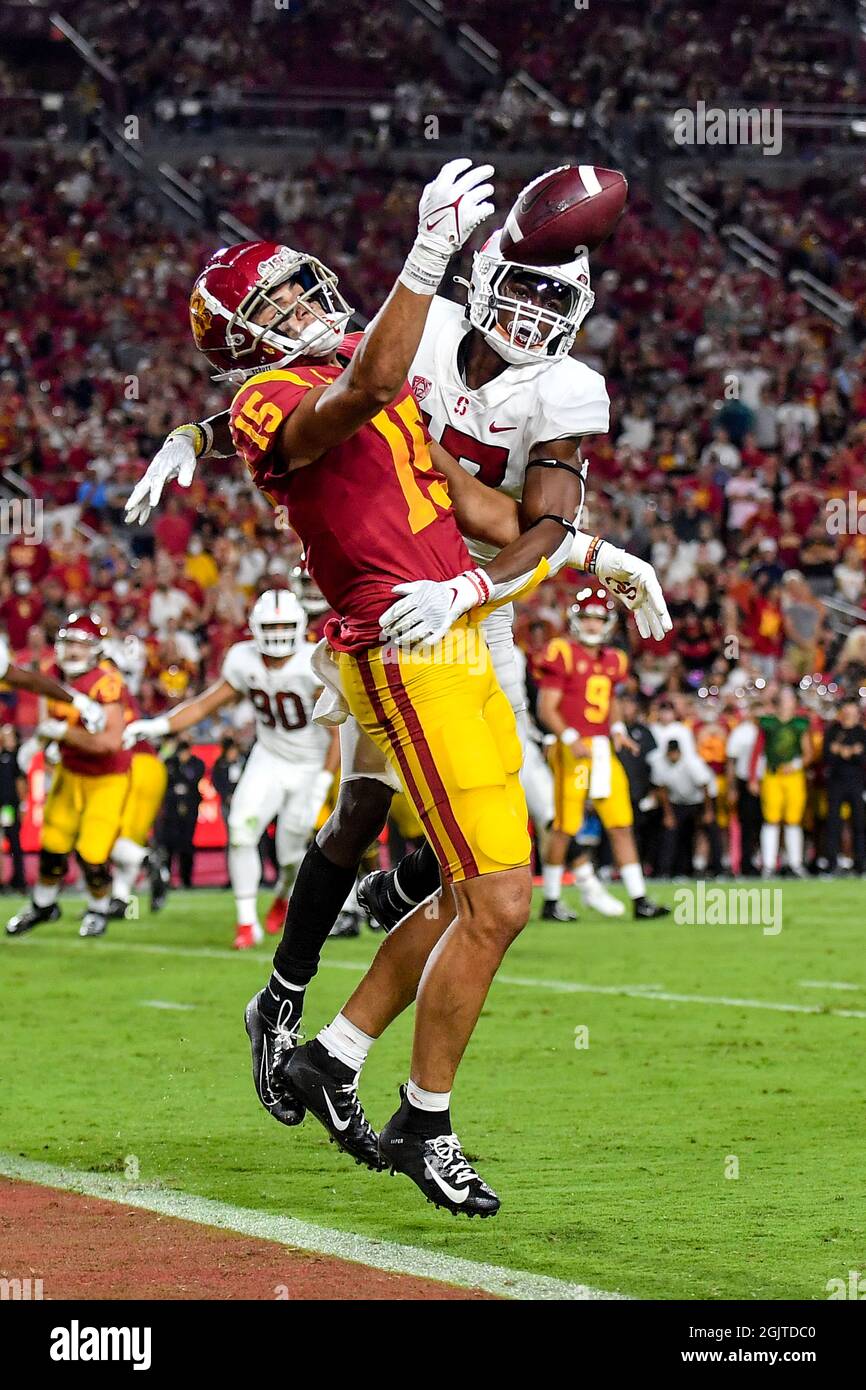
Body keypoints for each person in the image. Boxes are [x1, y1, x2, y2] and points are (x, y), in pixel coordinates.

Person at [125, 161, 670, 1216]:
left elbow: (507, 520)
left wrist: (603, 557)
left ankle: (332, 1052)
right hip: (400, 639)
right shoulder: (294, 389)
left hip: (466, 620)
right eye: (272, 305)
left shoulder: (482, 390)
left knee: (484, 887)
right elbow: (358, 387)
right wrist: (423, 257)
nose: (302, 304)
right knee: (452, 868)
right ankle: (380, 1082)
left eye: (297, 288)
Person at [126, 591, 336, 948]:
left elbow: (340, 731)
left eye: (285, 625)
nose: (278, 633)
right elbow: (206, 703)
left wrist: (324, 780)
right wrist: (161, 726)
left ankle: (284, 895)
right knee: (240, 830)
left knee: (290, 856)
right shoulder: (243, 660)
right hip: (268, 757)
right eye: (271, 626)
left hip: (310, 764)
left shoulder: (313, 663)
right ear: (255, 628)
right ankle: (246, 923)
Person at [535, 586, 669, 920]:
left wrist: (619, 730)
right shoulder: (562, 651)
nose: (593, 625)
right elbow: (546, 708)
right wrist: (568, 736)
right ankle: (551, 899)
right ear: (576, 620)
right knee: (566, 825)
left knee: (621, 823)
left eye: (598, 619)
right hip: (572, 748)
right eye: (587, 618)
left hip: (601, 748)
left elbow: (609, 702)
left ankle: (640, 899)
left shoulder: (614, 659)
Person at [5, 613, 131, 939]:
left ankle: (98, 909)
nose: (72, 651)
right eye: (68, 643)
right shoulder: (53, 674)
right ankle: (44, 904)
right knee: (53, 844)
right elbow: (49, 716)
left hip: (106, 777)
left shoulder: (108, 682)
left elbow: (108, 743)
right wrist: (40, 743)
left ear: (95, 648)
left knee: (92, 852)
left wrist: (63, 733)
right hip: (70, 772)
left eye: (80, 644)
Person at [750, 686, 812, 877]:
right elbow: (758, 750)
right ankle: (769, 865)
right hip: (773, 774)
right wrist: (753, 777)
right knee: (771, 819)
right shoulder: (768, 722)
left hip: (793, 775)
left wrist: (796, 765)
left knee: (794, 820)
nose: (787, 701)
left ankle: (795, 863)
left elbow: (808, 752)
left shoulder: (800, 723)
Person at [650, 739, 718, 878]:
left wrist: (708, 811)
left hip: (700, 801)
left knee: (711, 831)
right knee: (671, 833)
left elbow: (705, 786)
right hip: (677, 802)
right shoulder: (661, 765)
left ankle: (719, 869)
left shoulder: (692, 763)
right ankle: (666, 871)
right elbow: (662, 790)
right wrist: (668, 814)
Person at [823, 700, 866, 874]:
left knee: (860, 824)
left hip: (857, 782)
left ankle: (860, 864)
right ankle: (832, 863)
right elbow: (827, 756)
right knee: (833, 823)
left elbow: (863, 758)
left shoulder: (862, 733)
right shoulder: (834, 731)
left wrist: (841, 751)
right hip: (836, 782)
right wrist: (849, 752)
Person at [158, 738, 205, 889]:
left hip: (189, 809)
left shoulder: (196, 763)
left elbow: (193, 779)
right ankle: (167, 879)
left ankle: (186, 879)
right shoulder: (170, 762)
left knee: (186, 845)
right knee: (169, 845)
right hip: (172, 810)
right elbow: (165, 779)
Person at [0, 724, 26, 892]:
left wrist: (23, 804)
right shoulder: (3, 756)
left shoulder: (17, 757)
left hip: (9, 807)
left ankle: (19, 881)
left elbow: (20, 783)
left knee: (14, 842)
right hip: (2, 806)